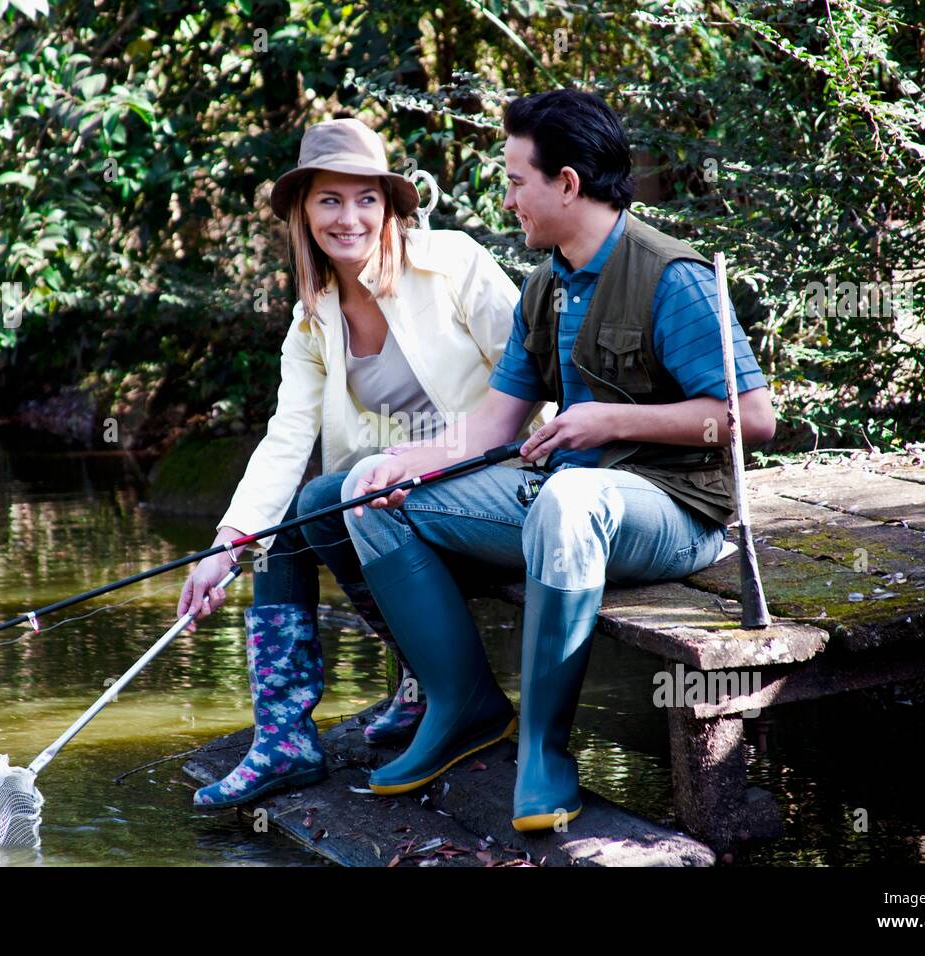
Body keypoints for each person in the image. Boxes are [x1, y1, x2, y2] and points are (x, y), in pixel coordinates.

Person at [341, 90, 776, 832]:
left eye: (515, 180)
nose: (506, 198)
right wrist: (404, 462)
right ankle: (465, 707)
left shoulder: (673, 277)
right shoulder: (546, 285)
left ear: (567, 183)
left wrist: (607, 419)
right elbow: (493, 422)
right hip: (562, 506)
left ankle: (545, 751)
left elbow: (752, 420)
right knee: (365, 494)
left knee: (570, 503)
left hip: (677, 517)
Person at [176, 117, 548, 808]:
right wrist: (226, 546)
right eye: (329, 200)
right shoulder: (313, 316)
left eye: (366, 198)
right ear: (302, 212)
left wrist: (438, 462)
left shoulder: (454, 265)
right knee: (298, 507)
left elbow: (534, 381)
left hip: (505, 489)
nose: (350, 218)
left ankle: (435, 685)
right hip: (392, 508)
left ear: (389, 204)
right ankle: (286, 735)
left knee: (324, 498)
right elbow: (287, 435)